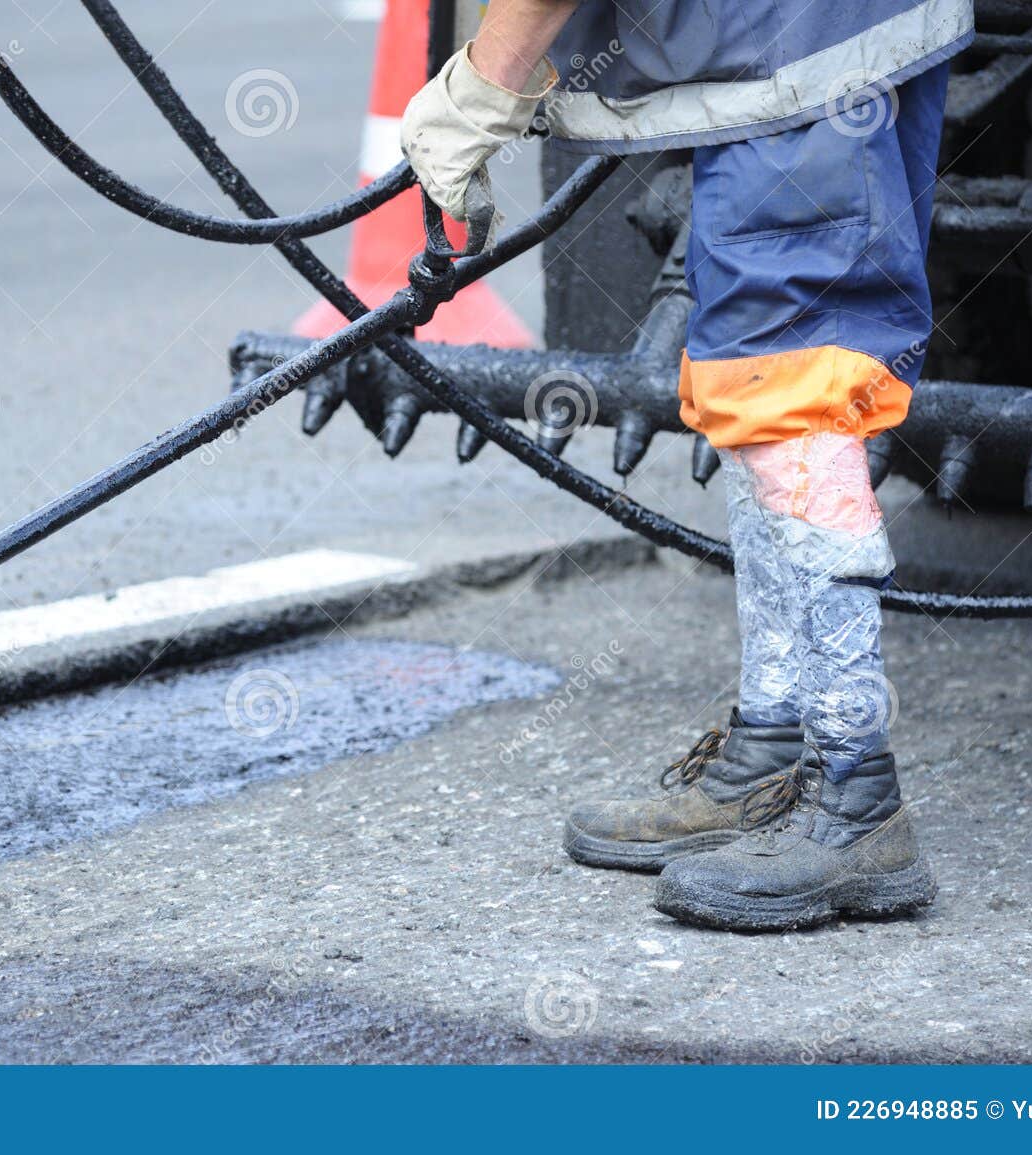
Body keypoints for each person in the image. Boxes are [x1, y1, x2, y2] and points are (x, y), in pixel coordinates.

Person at [400, 0, 973, 931]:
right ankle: (772, 749)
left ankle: (859, 797)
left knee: (794, 381)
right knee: (757, 375)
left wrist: (485, 83)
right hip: (792, 41)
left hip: (799, 44)